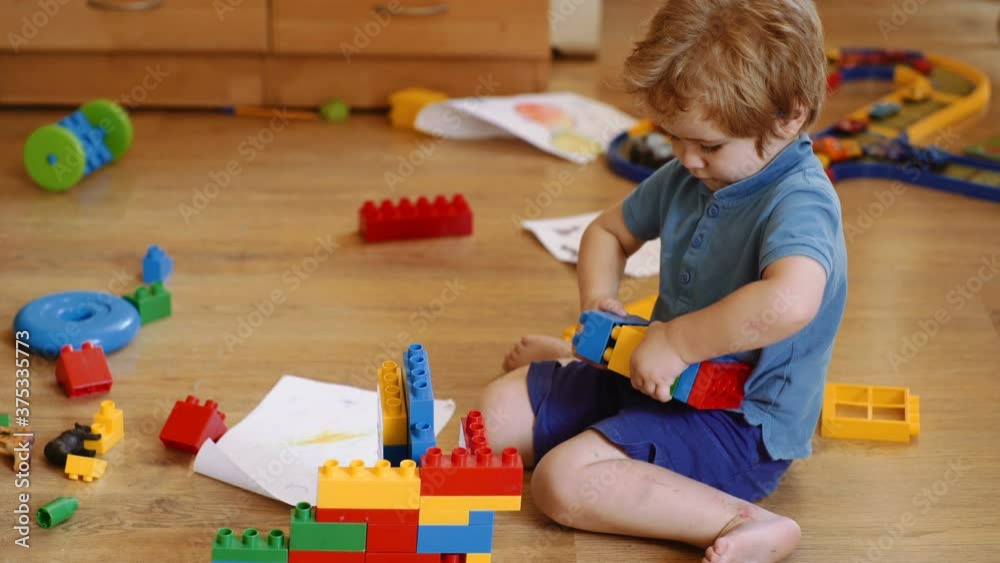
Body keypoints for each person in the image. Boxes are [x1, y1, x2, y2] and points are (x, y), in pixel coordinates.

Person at [479, 1, 848, 561]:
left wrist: (677, 342)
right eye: (674, 137)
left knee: (562, 483)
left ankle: (747, 522)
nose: (687, 159)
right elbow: (608, 232)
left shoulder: (798, 202)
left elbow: (792, 300)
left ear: (788, 117)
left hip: (735, 424)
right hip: (649, 374)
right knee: (493, 417)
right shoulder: (688, 173)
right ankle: (585, 363)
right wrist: (598, 310)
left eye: (709, 145)